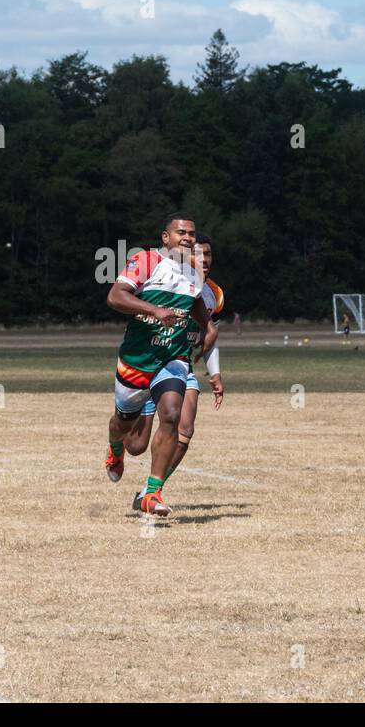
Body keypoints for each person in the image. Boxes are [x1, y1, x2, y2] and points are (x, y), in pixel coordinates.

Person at [103, 215, 215, 517]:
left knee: (172, 414)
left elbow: (193, 302)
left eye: (191, 233)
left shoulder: (195, 273)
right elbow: (115, 296)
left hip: (172, 357)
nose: (188, 238)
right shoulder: (146, 260)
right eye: (181, 232)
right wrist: (155, 310)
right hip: (136, 360)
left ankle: (151, 492)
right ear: (165, 238)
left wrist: (208, 327)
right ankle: (115, 449)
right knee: (127, 431)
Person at [123, 234, 226, 511]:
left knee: (185, 429)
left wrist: (214, 373)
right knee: (135, 446)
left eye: (208, 255)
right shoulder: (166, 276)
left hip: (180, 365)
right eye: (198, 254)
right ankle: (120, 431)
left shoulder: (213, 293)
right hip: (149, 363)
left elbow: (210, 333)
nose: (204, 260)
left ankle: (150, 491)